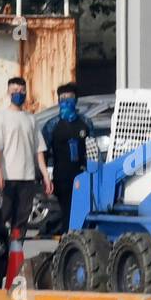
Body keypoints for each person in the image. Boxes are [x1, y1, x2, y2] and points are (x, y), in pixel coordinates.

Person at [0, 77, 49, 235]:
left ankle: (16, 254)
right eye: (14, 91)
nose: (18, 94)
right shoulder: (0, 118)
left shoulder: (31, 119)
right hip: (8, 178)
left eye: (21, 91)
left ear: (26, 93)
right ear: (8, 92)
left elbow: (39, 150)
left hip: (27, 178)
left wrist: (46, 176)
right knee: (3, 217)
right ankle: (1, 254)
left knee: (21, 221)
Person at [40, 82, 95, 232]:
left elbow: (93, 149)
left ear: (76, 100)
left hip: (83, 175)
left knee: (83, 211)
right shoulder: (52, 125)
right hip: (61, 177)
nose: (66, 101)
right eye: (62, 98)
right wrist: (44, 178)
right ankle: (66, 239)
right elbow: (42, 153)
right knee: (66, 211)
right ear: (58, 101)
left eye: (69, 98)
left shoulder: (85, 123)